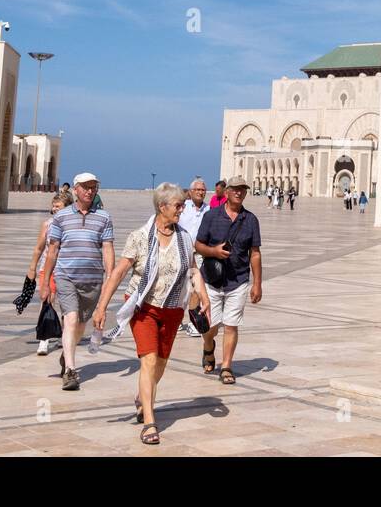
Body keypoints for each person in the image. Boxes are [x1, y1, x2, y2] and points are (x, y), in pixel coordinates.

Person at [93, 183, 209, 446]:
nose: (182, 209)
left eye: (183, 205)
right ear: (162, 207)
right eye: (178, 205)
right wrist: (101, 307)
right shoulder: (139, 237)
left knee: (160, 365)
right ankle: (149, 422)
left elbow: (192, 269)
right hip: (143, 307)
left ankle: (141, 398)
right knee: (149, 359)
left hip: (172, 310)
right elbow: (119, 273)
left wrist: (202, 294)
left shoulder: (184, 237)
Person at [39, 173, 114, 391]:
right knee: (70, 319)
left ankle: (66, 353)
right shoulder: (61, 217)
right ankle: (71, 371)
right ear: (75, 189)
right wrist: (45, 282)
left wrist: (109, 276)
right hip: (66, 277)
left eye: (93, 187)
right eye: (85, 187)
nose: (90, 191)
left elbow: (108, 248)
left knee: (80, 325)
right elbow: (52, 250)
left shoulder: (104, 217)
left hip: (92, 280)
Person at [195, 176, 262, 386]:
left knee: (231, 325)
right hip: (213, 280)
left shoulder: (250, 220)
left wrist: (257, 283)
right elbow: (198, 245)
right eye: (235, 189)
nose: (239, 193)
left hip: (239, 280)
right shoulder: (212, 216)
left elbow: (255, 253)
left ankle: (226, 366)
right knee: (211, 326)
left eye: (243, 189)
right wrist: (213, 251)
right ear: (227, 192)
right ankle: (208, 347)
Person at [26, 191, 71, 355]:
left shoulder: (73, 225)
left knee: (67, 305)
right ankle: (44, 339)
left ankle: (63, 334)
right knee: (47, 300)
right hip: (49, 268)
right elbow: (39, 248)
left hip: (67, 269)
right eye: (53, 206)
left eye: (58, 206)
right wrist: (32, 267)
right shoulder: (48, 224)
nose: (54, 209)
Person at [177, 178, 211, 338]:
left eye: (203, 190)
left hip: (199, 255)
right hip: (181, 252)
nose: (200, 192)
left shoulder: (209, 210)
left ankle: (193, 321)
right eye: (197, 189)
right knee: (179, 289)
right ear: (190, 192)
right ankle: (176, 320)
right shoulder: (182, 208)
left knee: (196, 289)